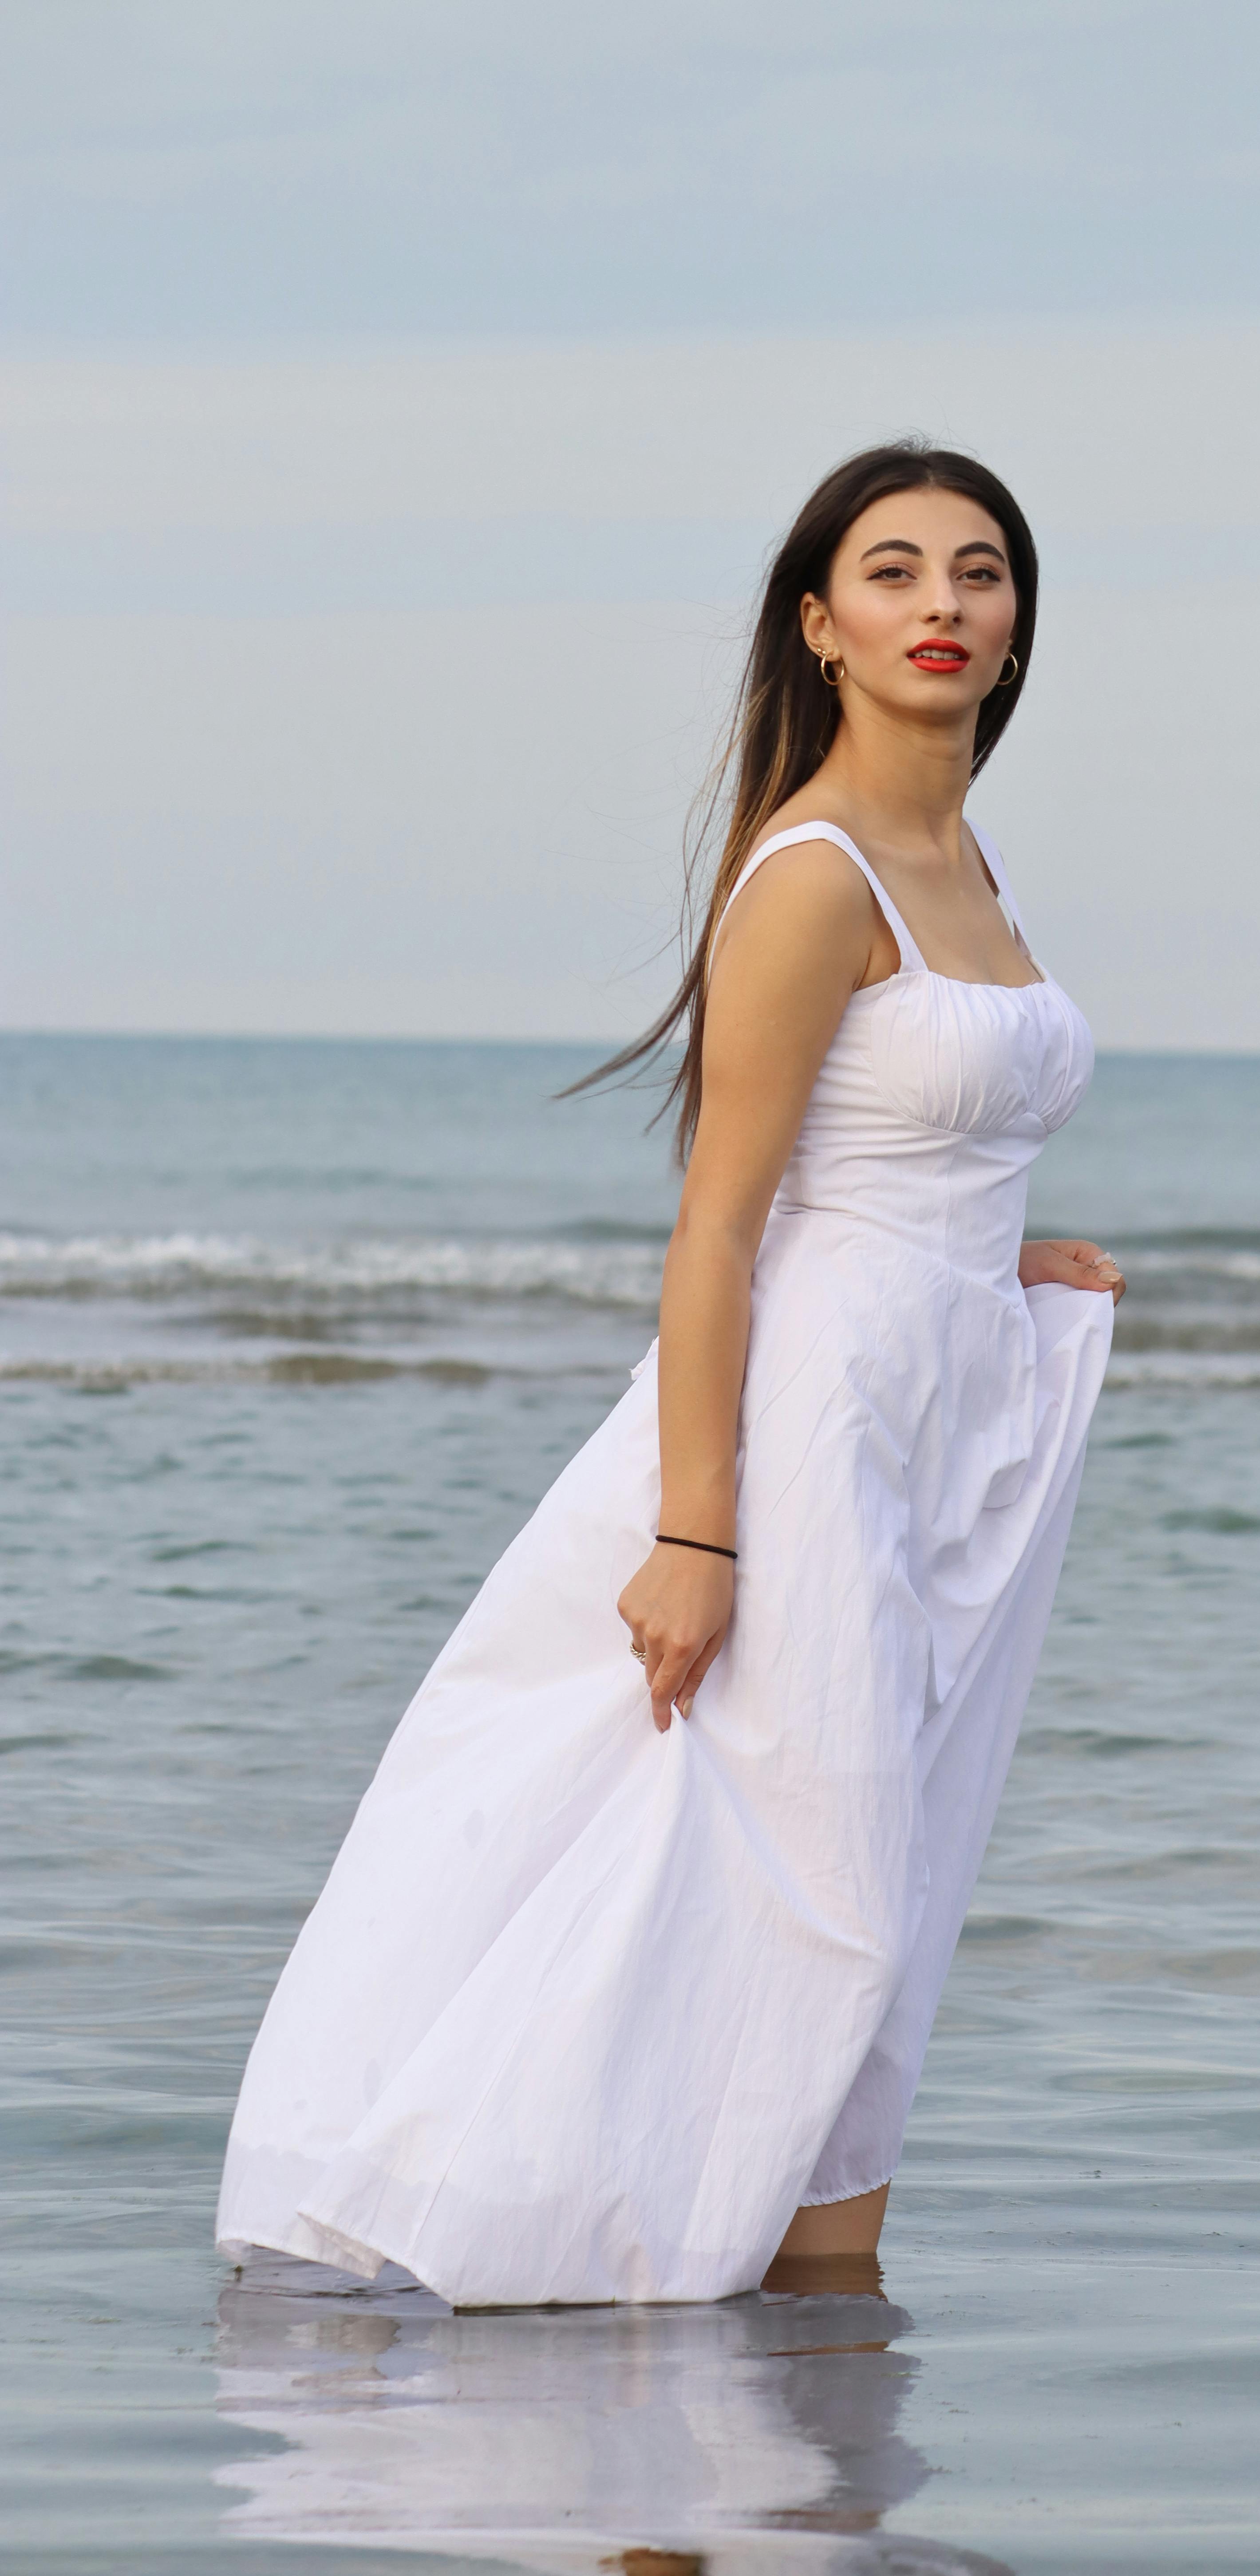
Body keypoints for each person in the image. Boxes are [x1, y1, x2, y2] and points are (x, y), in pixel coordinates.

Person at [215, 440, 1124, 2307]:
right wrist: (696, 1532)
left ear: (1018, 625)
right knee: (818, 1892)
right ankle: (650, 2354)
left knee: (888, 1895)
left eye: (977, 573)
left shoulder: (972, 853)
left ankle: (801, 2382)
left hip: (947, 1416)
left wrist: (989, 1245)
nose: (941, 605)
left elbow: (899, 1140)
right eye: (892, 573)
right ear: (819, 624)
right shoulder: (812, 874)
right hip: (813, 1435)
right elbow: (717, 1228)